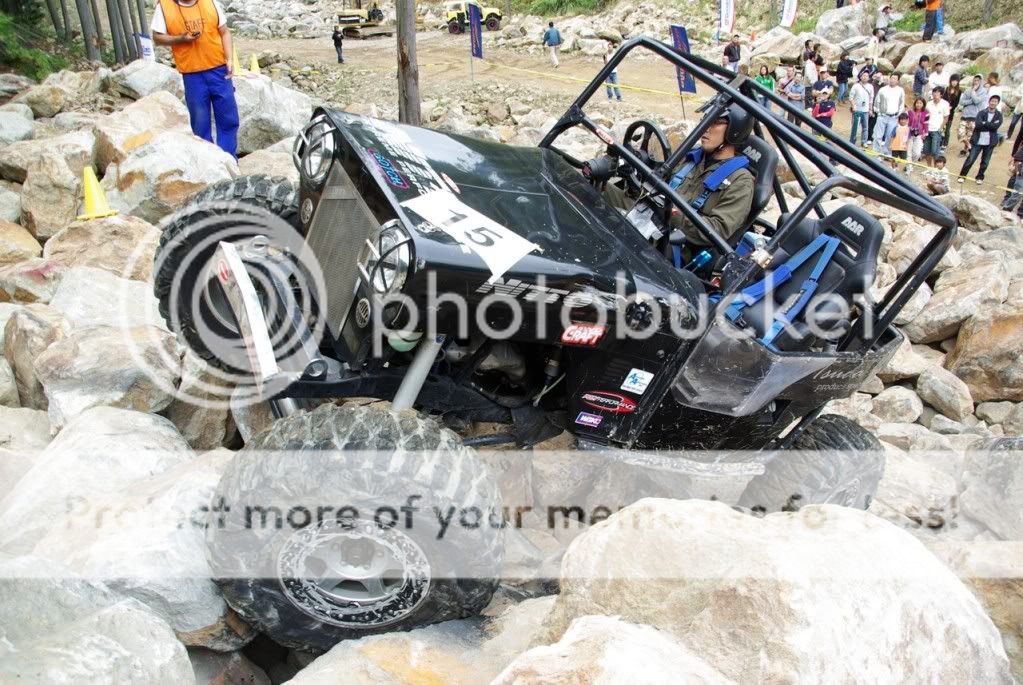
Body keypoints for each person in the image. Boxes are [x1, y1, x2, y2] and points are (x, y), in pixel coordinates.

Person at [605, 104, 755, 248]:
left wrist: (672, 213)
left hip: (675, 241)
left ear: (735, 131)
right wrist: (634, 181)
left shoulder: (740, 181)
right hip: (649, 213)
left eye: (715, 122)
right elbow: (656, 187)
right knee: (590, 180)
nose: (705, 128)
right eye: (705, 120)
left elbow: (717, 231)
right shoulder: (690, 157)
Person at [150, 0, 239, 159]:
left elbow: (224, 32)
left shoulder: (210, 3)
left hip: (219, 69)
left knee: (228, 118)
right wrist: (180, 39)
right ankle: (208, 162)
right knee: (200, 123)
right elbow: (157, 37)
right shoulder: (164, 6)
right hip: (192, 74)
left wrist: (230, 59)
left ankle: (229, 160)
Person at [959, 95, 1003, 184]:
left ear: (997, 103)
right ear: (989, 101)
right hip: (977, 140)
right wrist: (989, 125)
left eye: (995, 101)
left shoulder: (999, 115)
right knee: (970, 159)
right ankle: (962, 176)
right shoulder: (981, 112)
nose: (993, 103)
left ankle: (980, 177)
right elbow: (978, 125)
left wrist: (985, 123)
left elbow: (995, 127)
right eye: (992, 101)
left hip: (990, 142)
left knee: (985, 161)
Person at [873, 72, 905, 155]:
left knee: (889, 136)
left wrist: (899, 114)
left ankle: (887, 153)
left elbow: (902, 103)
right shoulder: (883, 89)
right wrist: (879, 112)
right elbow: (877, 102)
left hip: (893, 117)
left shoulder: (900, 90)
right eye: (892, 78)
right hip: (882, 115)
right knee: (878, 136)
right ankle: (877, 154)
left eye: (895, 79)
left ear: (898, 81)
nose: (892, 80)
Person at [957, 74, 987, 156]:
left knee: (970, 134)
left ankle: (965, 150)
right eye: (975, 80)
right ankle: (969, 146)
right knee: (961, 133)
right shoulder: (967, 90)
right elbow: (961, 102)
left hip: (975, 115)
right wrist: (971, 100)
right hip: (965, 114)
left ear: (981, 81)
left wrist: (973, 92)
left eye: (978, 80)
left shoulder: (983, 91)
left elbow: (977, 101)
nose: (976, 82)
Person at [924, 86, 950, 165]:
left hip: (937, 130)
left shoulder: (945, 104)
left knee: (935, 151)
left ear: (941, 94)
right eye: (934, 92)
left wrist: (941, 128)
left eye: (938, 92)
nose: (935, 94)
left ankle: (936, 169)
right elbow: (925, 116)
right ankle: (929, 167)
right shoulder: (929, 104)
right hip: (928, 129)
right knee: (926, 150)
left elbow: (946, 118)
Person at [1001, 131, 1023, 215]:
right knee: (1017, 193)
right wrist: (1017, 171)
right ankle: (1006, 209)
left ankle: (1020, 214)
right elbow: (1018, 156)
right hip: (1021, 170)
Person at [850, 70, 873, 146]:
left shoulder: (870, 86)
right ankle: (852, 142)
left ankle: (864, 142)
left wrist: (870, 109)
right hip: (857, 110)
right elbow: (851, 97)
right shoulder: (856, 86)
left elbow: (871, 99)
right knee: (855, 127)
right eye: (863, 76)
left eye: (867, 76)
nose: (865, 77)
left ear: (869, 78)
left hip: (865, 110)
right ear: (860, 77)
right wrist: (853, 106)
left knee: (865, 127)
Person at [907, 96, 929, 169]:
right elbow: (907, 122)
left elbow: (926, 123)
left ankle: (912, 163)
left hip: (919, 134)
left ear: (923, 104)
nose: (918, 105)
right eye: (917, 103)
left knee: (917, 153)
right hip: (910, 134)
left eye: (920, 103)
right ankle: (908, 166)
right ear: (915, 103)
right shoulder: (910, 111)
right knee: (908, 151)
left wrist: (925, 133)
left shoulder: (926, 112)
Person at [941, 74, 962, 147]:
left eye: (956, 81)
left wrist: (951, 107)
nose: (954, 82)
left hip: (950, 112)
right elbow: (943, 99)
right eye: (953, 80)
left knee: (947, 129)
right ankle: (940, 142)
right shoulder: (947, 89)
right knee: (942, 127)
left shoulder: (959, 91)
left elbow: (956, 102)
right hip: (943, 111)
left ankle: (945, 144)